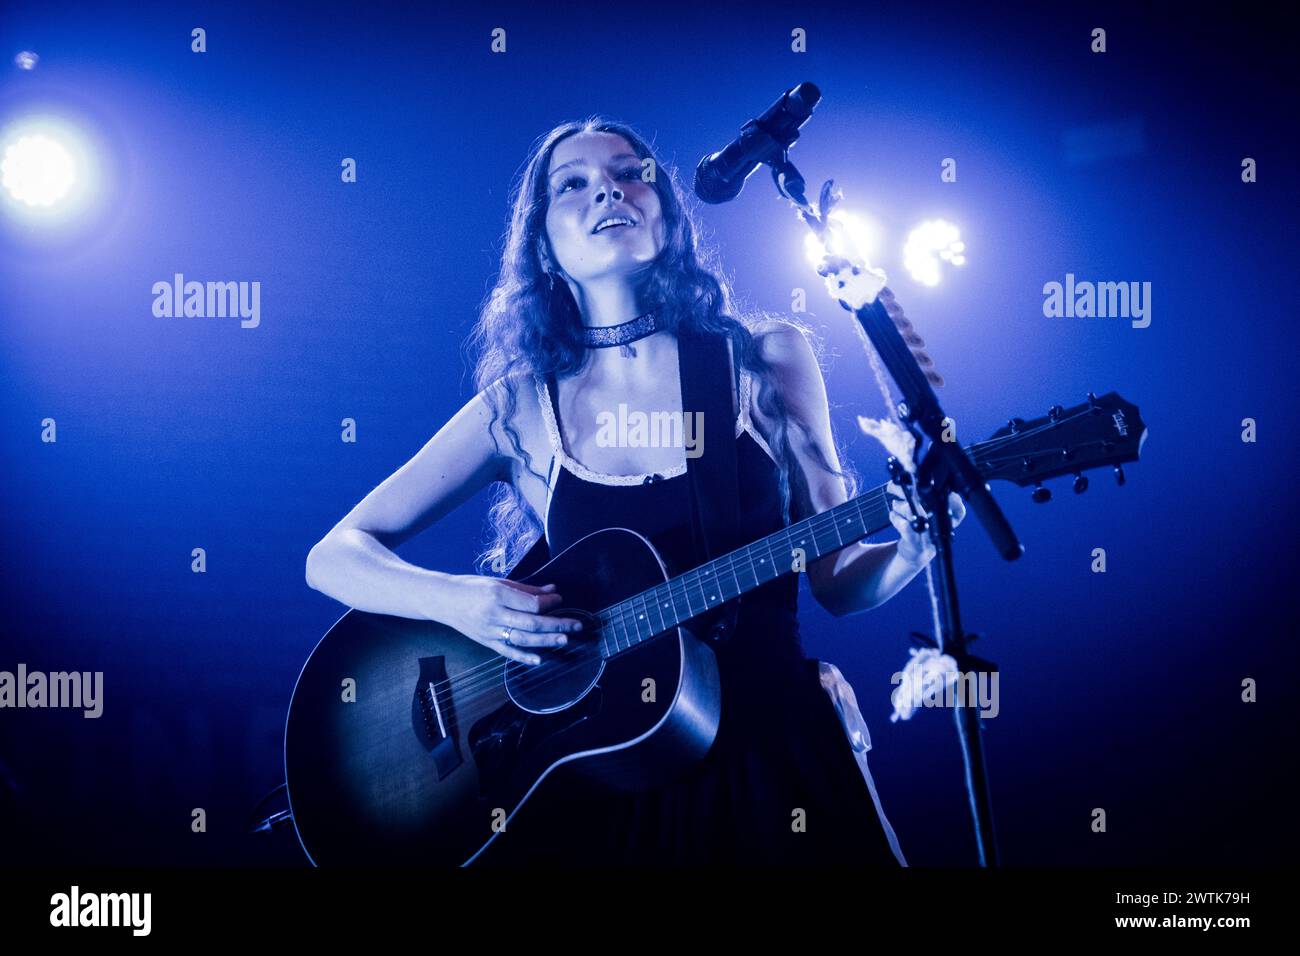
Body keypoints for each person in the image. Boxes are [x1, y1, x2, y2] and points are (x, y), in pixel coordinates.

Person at [305, 117, 962, 866]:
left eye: (630, 172)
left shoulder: (766, 358)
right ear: (542, 248)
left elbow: (838, 582)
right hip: (605, 787)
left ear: (669, 214)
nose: (608, 191)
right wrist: (463, 603)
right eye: (573, 185)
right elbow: (333, 557)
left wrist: (911, 545)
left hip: (775, 753)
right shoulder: (519, 406)